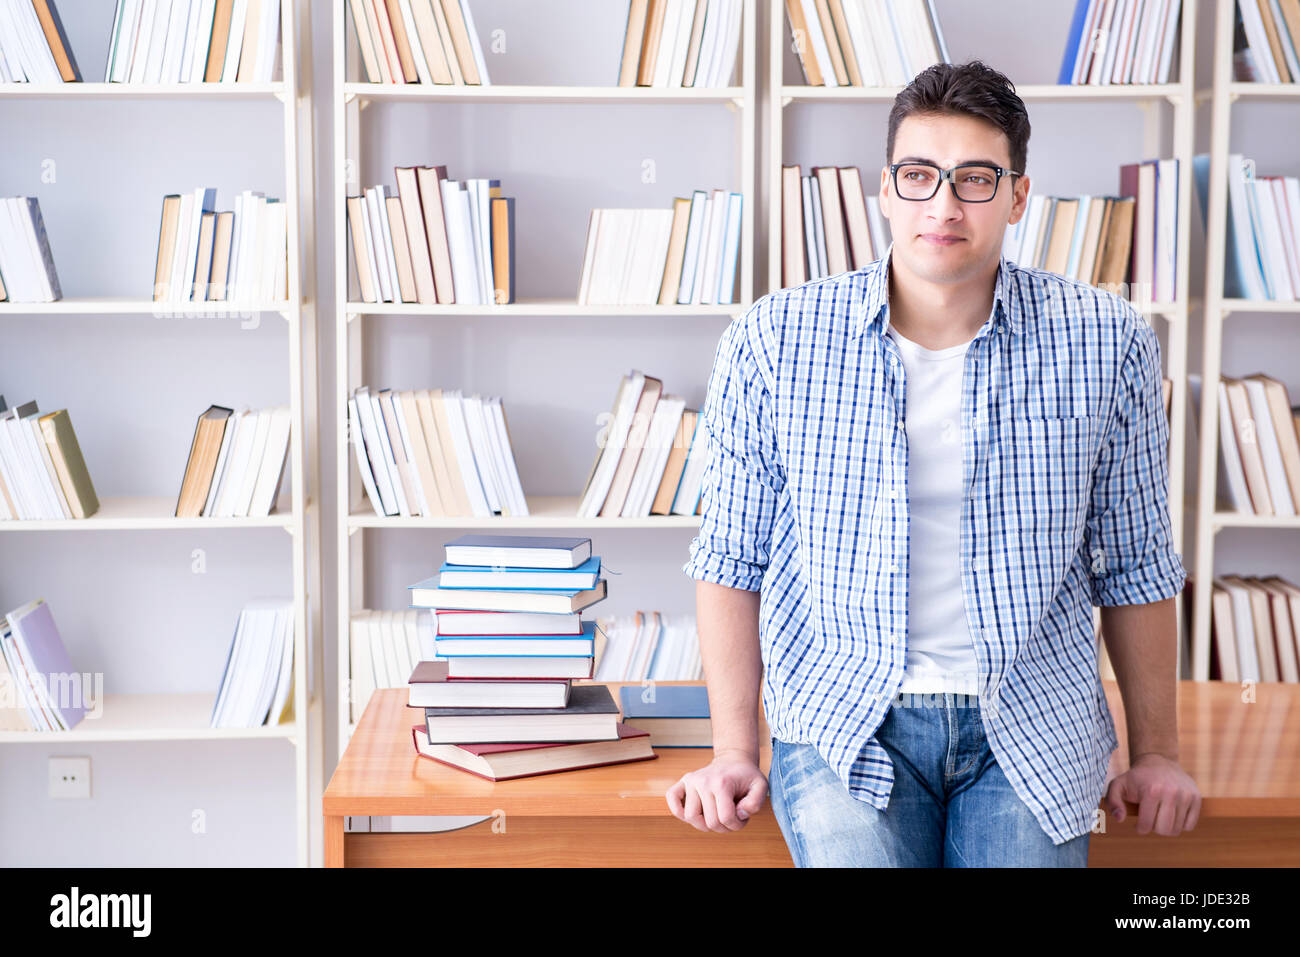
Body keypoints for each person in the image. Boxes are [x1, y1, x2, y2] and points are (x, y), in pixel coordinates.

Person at [665, 60, 1201, 867]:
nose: (943, 206)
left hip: (1035, 718)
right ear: (887, 189)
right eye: (919, 176)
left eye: (976, 179)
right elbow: (731, 556)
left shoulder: (1106, 341)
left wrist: (1156, 750)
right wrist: (735, 747)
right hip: (844, 714)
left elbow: (1134, 565)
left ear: (1019, 196)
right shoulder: (775, 340)